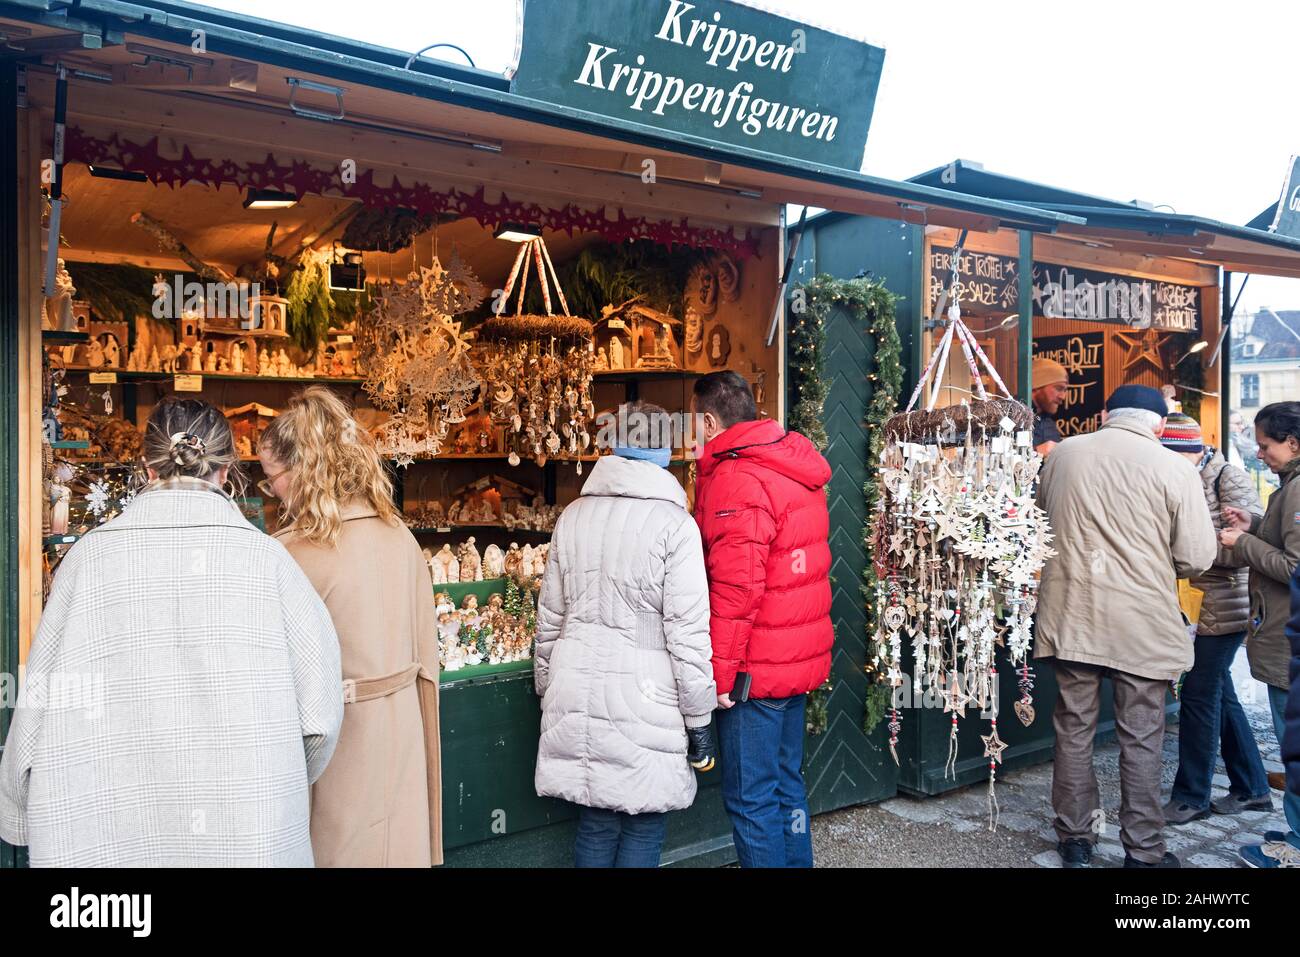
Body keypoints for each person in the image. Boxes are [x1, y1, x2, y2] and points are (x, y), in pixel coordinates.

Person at [0, 398, 343, 866]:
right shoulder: (269, 563)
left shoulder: (87, 561)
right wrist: (273, 775)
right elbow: (320, 718)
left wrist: (17, 811)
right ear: (225, 472)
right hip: (246, 833)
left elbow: (38, 701)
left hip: (108, 841)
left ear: (145, 469)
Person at [259, 386, 443, 867]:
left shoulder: (290, 555)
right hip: (402, 736)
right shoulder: (400, 535)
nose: (271, 491)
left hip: (336, 746)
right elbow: (428, 655)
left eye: (270, 478)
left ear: (302, 469)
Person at [1035, 385, 1216, 869]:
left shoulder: (1063, 454)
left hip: (1072, 611)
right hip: (1141, 620)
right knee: (1141, 736)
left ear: (1105, 414)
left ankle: (1074, 840)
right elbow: (1196, 558)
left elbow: (1041, 521)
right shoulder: (1175, 468)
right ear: (1160, 426)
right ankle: (1144, 854)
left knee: (1074, 728)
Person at [533, 401, 716, 868]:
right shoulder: (676, 526)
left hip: (576, 689)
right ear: (663, 451)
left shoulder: (573, 516)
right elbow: (688, 636)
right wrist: (700, 721)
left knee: (595, 823)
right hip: (647, 700)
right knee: (642, 822)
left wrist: (546, 689)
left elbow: (549, 619)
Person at [690, 370, 833, 868]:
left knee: (751, 800)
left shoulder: (738, 477)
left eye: (695, 424)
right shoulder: (790, 463)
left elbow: (738, 589)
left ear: (709, 421)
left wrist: (721, 675)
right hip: (794, 661)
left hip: (755, 670)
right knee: (786, 786)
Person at [1157, 413, 1271, 825]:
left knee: (1199, 697)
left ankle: (1191, 797)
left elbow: (1247, 545)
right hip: (1194, 606)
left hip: (1224, 607)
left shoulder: (1229, 478)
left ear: (1188, 451)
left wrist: (1187, 544)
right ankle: (1252, 788)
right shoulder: (1178, 476)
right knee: (1221, 696)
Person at [1219, 401, 1300, 868]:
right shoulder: (1289, 486)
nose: (1259, 452)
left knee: (1294, 742)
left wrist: (1243, 543)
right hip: (1284, 633)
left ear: (1292, 442)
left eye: (1265, 445)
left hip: (1289, 637)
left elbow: (1294, 567)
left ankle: (1296, 845)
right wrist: (1257, 527)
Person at [1030, 356, 1069, 457]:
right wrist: (1036, 453)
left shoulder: (1047, 422)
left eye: (1065, 390)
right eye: (1058, 388)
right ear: (1036, 387)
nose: (1063, 397)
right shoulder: (1011, 415)